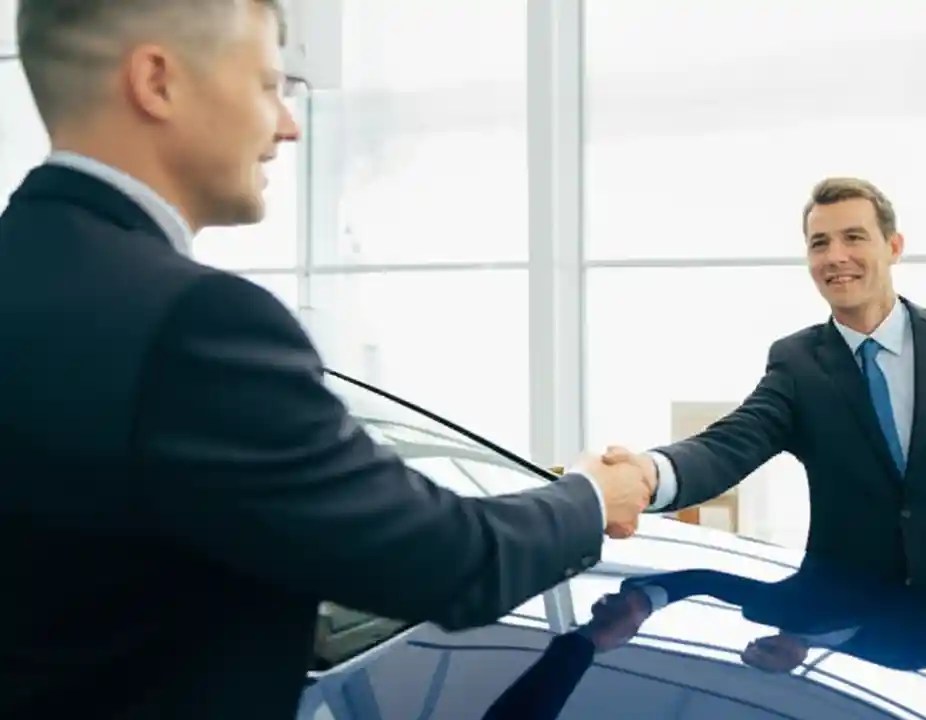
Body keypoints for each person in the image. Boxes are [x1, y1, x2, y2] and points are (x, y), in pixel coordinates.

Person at [0, 1, 651, 717]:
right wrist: (593, 497)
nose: (288, 124)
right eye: (266, 85)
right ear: (158, 81)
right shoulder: (195, 322)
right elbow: (446, 561)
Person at [603, 177, 926, 639]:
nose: (835, 256)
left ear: (894, 246)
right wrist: (649, 474)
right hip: (843, 635)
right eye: (819, 243)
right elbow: (730, 443)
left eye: (854, 237)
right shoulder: (798, 363)